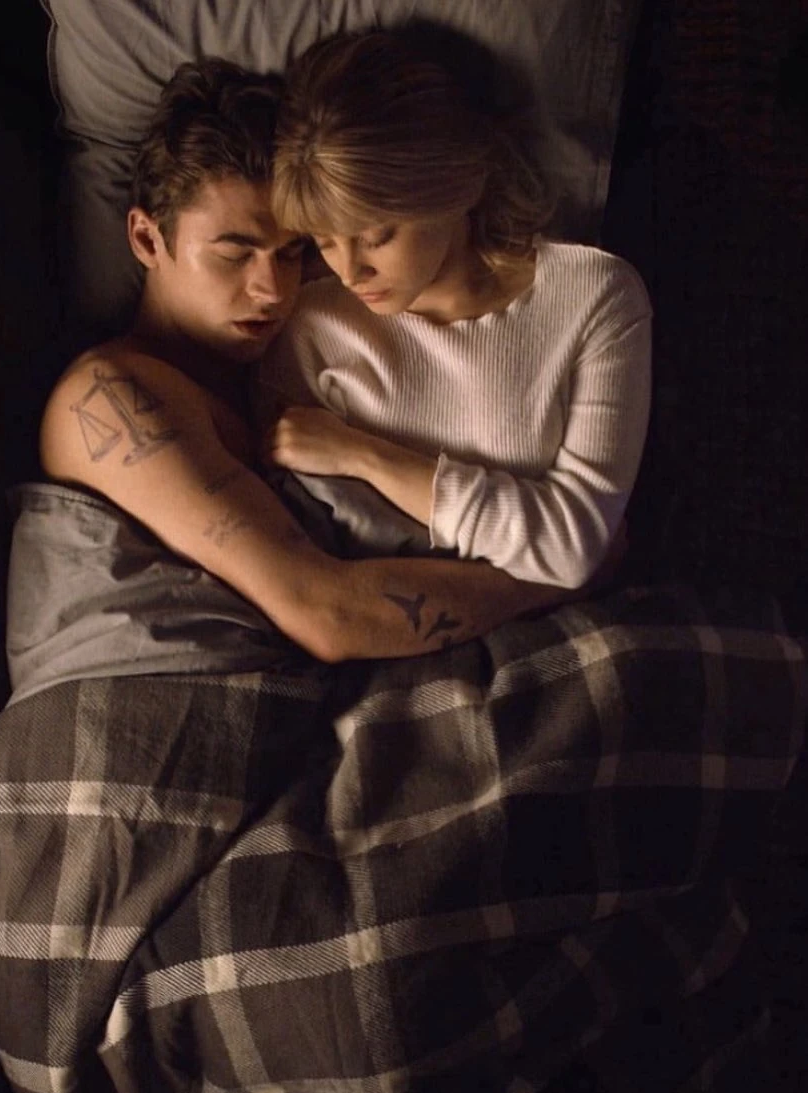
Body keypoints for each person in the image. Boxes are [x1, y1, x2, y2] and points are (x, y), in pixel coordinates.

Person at [39, 57, 590, 666]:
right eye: (235, 254)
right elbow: (328, 616)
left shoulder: (282, 376)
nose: (273, 290)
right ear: (147, 239)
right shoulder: (108, 395)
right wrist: (557, 577)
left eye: (293, 253)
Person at [262, 25, 652, 590]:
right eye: (323, 241)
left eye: (376, 237)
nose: (349, 272)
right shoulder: (310, 323)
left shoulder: (595, 299)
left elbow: (574, 547)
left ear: (456, 187)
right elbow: (301, 556)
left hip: (564, 624)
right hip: (376, 620)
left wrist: (363, 455)